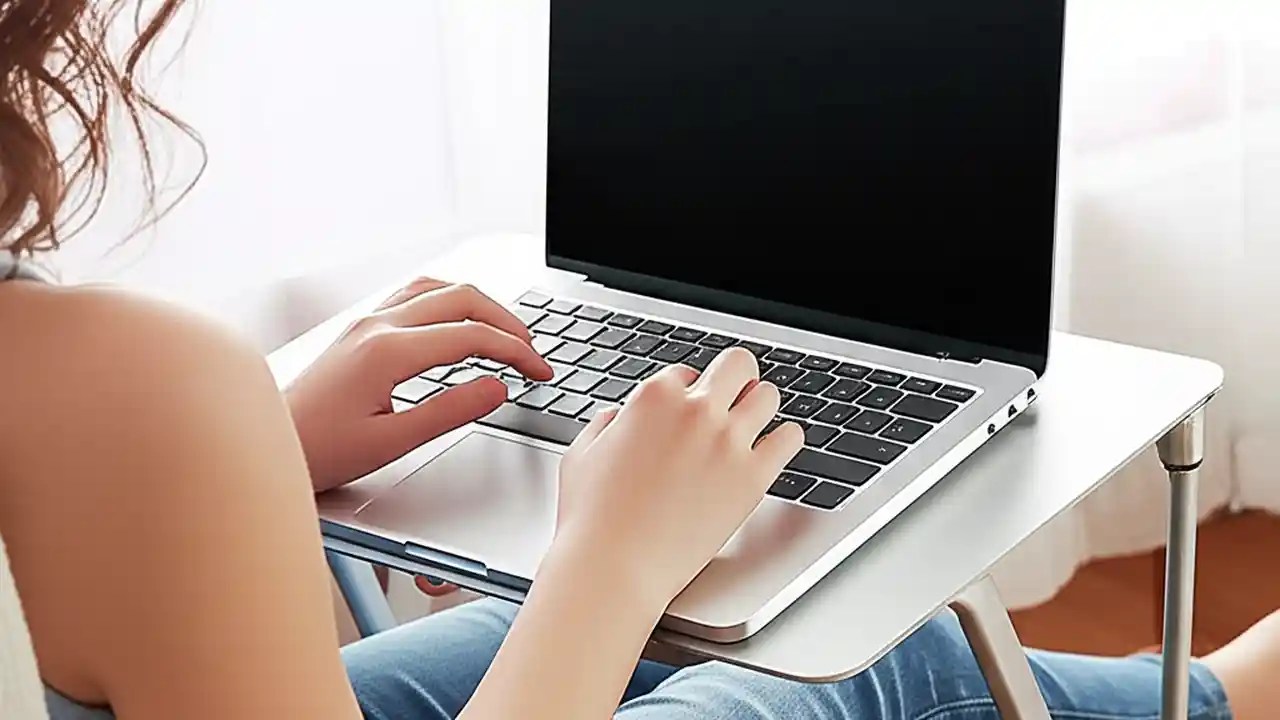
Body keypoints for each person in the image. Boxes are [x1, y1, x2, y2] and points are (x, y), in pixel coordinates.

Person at [0, 1, 1267, 718]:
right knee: (896, 657)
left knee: (658, 630)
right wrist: (608, 559)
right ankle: (1225, 698)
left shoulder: (100, 391)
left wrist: (245, 454)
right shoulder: (111, 379)